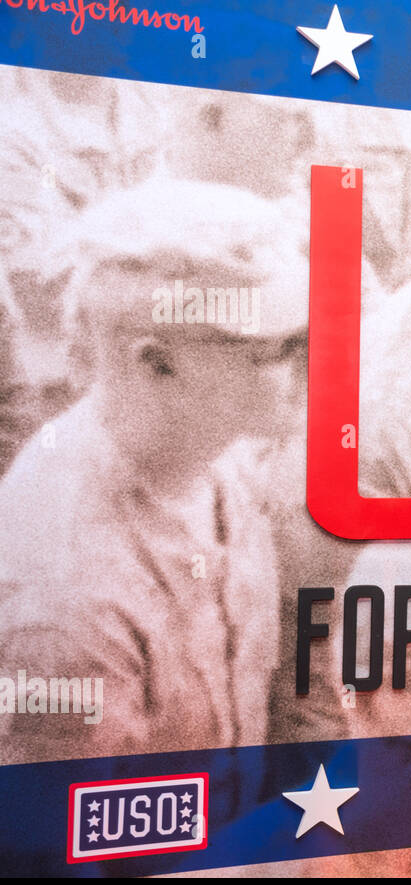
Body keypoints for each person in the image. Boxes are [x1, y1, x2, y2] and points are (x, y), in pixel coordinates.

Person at [0, 176, 308, 764]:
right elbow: (60, 843)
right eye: (277, 347)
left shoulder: (223, 459)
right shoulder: (69, 591)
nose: (312, 364)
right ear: (158, 362)